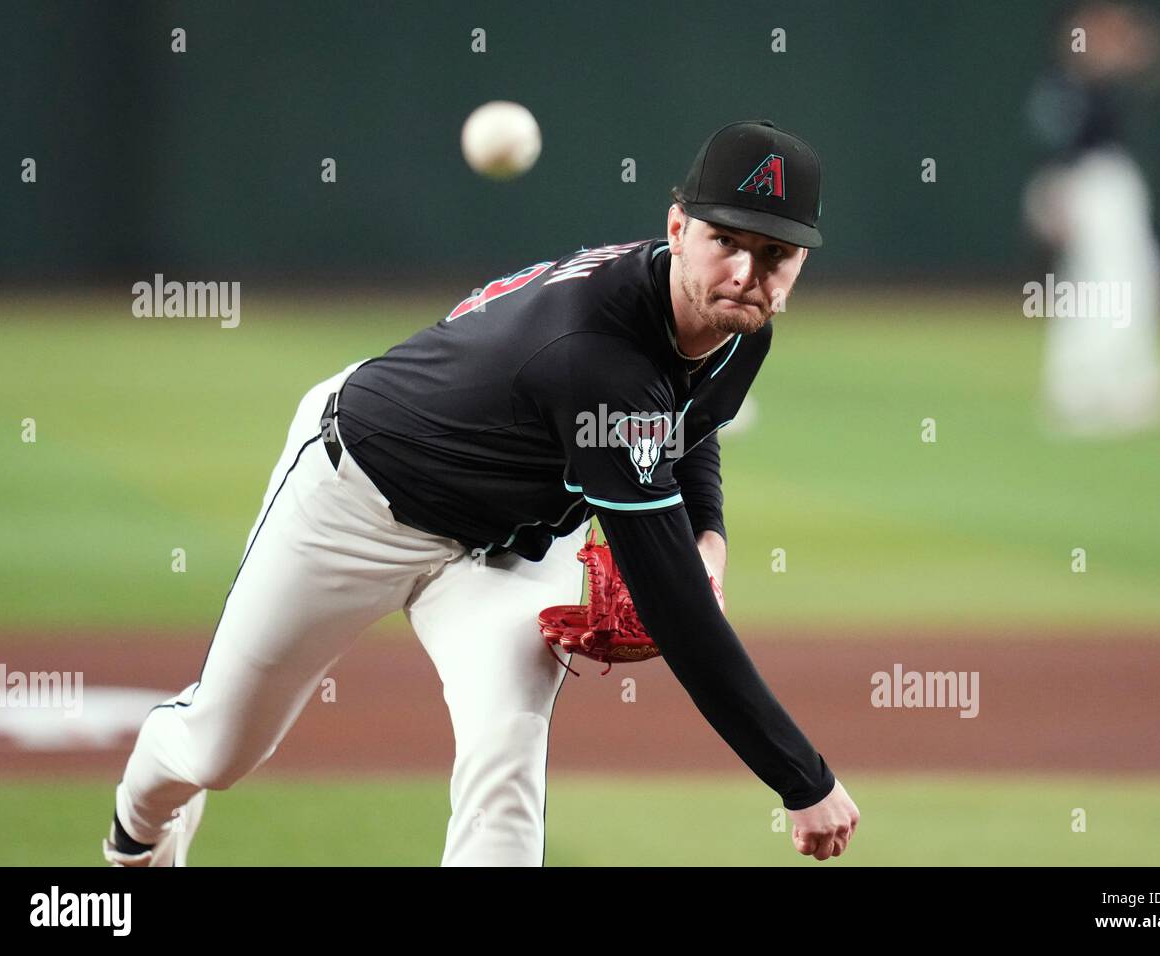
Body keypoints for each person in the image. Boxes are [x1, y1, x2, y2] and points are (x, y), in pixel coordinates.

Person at [103, 119, 859, 867]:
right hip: (356, 496)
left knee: (506, 758)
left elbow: (692, 418)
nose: (744, 272)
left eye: (775, 254)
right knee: (221, 747)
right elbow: (679, 615)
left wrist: (709, 539)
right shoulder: (599, 357)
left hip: (505, 555)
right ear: (677, 227)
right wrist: (802, 779)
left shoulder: (739, 325)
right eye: (725, 240)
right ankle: (138, 828)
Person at [1023, 2, 1160, 437]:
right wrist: (1053, 195)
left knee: (1100, 286)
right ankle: (1104, 387)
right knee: (1116, 285)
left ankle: (1095, 386)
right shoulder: (1073, 86)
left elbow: (1155, 62)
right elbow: (1060, 147)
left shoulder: (1081, 84)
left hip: (1095, 184)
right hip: (1093, 186)